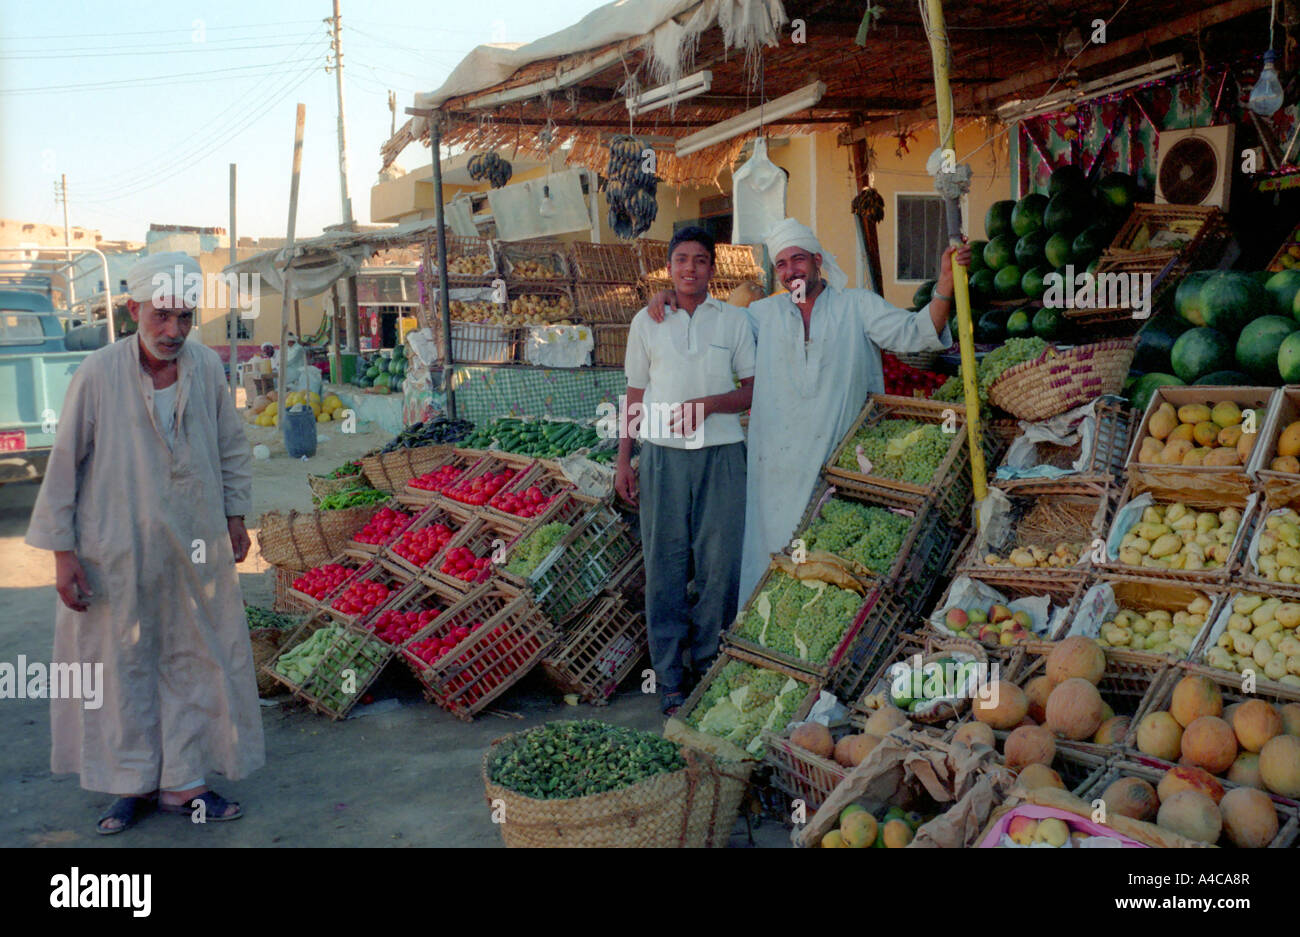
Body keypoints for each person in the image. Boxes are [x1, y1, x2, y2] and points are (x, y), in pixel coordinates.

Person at [25, 251, 265, 835]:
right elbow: (64, 467)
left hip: (194, 546)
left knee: (193, 656)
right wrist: (63, 554)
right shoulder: (98, 373)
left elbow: (231, 447)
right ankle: (127, 783)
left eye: (184, 318)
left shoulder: (208, 367)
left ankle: (184, 781)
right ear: (133, 309)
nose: (173, 331)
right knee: (120, 663)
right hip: (114, 549)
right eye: (161, 316)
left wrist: (236, 517)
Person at [648, 218, 969, 606]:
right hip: (776, 474)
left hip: (840, 466)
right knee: (771, 566)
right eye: (780, 264)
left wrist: (945, 288)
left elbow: (918, 332)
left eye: (797, 260)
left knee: (832, 572)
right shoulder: (759, 316)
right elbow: (711, 323)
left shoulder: (857, 305)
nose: (790, 271)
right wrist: (669, 295)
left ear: (817, 261)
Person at [616, 226, 756, 715]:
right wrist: (624, 458)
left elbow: (753, 390)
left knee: (720, 568)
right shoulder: (646, 321)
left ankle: (708, 665)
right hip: (661, 455)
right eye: (681, 260)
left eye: (700, 260)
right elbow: (635, 393)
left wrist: (710, 405)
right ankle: (669, 676)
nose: (690, 268)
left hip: (722, 455)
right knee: (665, 568)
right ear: (669, 267)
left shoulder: (734, 321)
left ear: (712, 269)